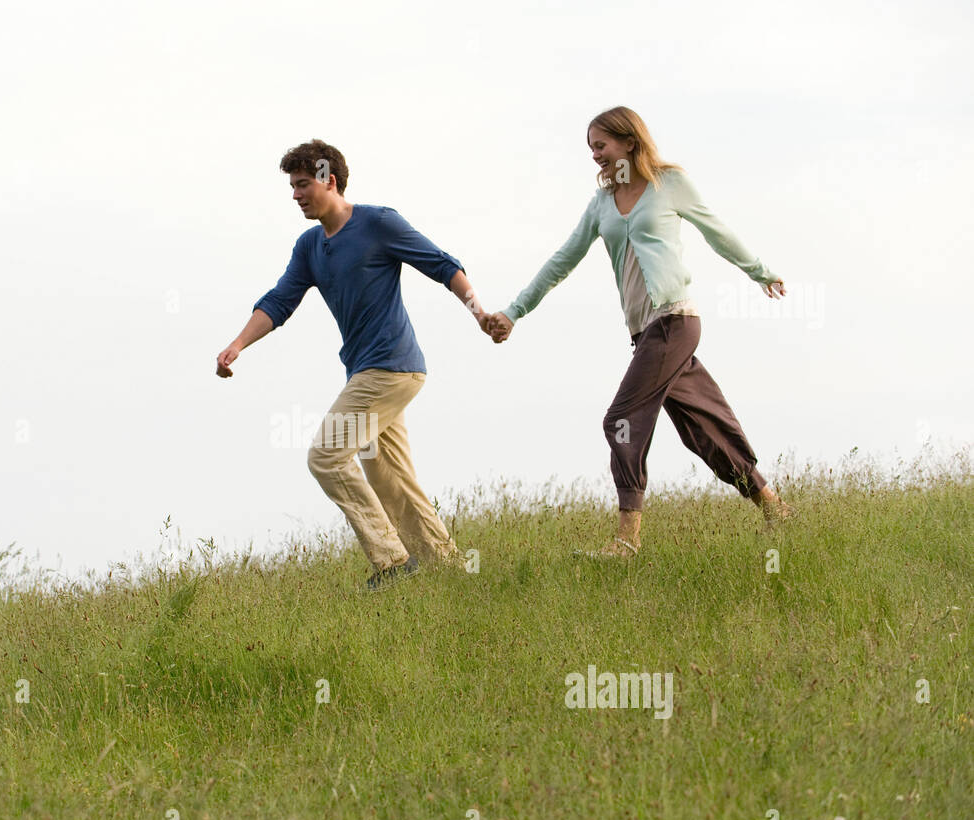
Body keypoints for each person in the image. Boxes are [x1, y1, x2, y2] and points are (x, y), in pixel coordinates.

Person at [486, 106, 793, 557]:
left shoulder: (669, 185)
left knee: (621, 421)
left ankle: (627, 540)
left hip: (674, 321)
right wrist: (514, 311)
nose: (595, 156)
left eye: (601, 145)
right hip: (644, 333)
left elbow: (717, 231)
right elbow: (561, 262)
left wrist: (761, 272)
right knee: (704, 426)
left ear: (629, 141)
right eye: (590, 148)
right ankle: (773, 507)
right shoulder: (601, 205)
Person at [217, 139, 494, 587]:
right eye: (292, 186)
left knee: (326, 455)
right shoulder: (310, 247)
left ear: (331, 180)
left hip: (391, 367)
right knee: (389, 477)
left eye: (303, 184)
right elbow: (279, 301)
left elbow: (442, 264)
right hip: (367, 370)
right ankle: (447, 570)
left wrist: (480, 313)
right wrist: (238, 345)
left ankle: (391, 561)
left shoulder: (378, 223)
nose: (295, 194)